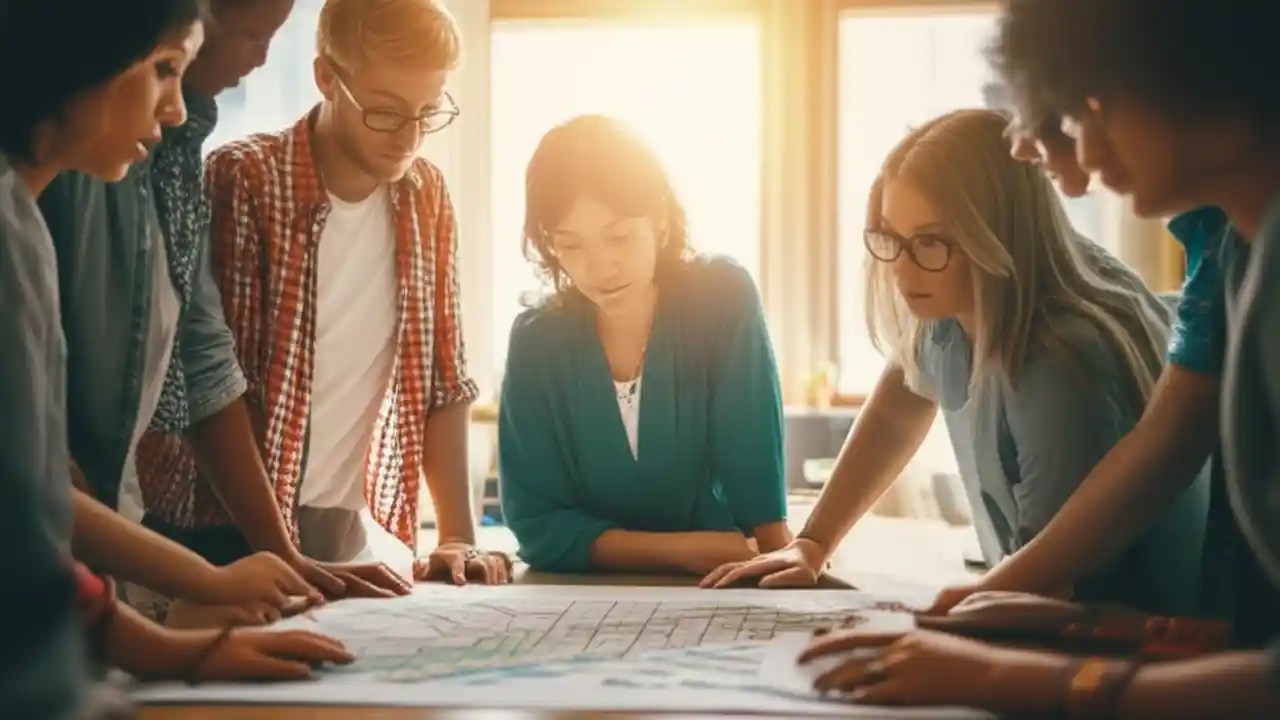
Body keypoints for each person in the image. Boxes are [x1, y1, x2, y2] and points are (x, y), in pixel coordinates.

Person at [790, 1, 1280, 715]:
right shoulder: (1233, 243)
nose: (1051, 145)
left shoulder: (1065, 352)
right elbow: (1168, 437)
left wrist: (1006, 669)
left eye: (1083, 105)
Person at [703, 109, 1210, 617]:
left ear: (996, 237)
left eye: (929, 241)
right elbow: (899, 403)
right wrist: (814, 542)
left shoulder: (1061, 366)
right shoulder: (957, 296)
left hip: (1118, 631)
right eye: (890, 238)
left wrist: (933, 620)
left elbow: (1050, 587)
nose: (901, 271)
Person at [0, 1, 350, 715]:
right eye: (163, 69)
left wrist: (179, 641)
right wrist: (179, 636)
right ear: (85, 54)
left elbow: (34, 503)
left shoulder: (22, 225)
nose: (174, 107)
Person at [194, 0, 510, 585]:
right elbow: (219, 385)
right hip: (220, 520)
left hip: (336, 522)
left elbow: (444, 379)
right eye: (385, 112)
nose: (410, 137)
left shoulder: (425, 195)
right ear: (325, 77)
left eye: (428, 112)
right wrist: (280, 553)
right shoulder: (245, 179)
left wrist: (458, 537)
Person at [498, 115, 790, 575]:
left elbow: (759, 488)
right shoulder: (536, 341)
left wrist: (783, 561)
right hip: (584, 597)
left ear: (659, 220)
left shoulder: (721, 297)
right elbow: (536, 525)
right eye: (571, 245)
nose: (600, 268)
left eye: (618, 236)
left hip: (723, 581)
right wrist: (680, 550)